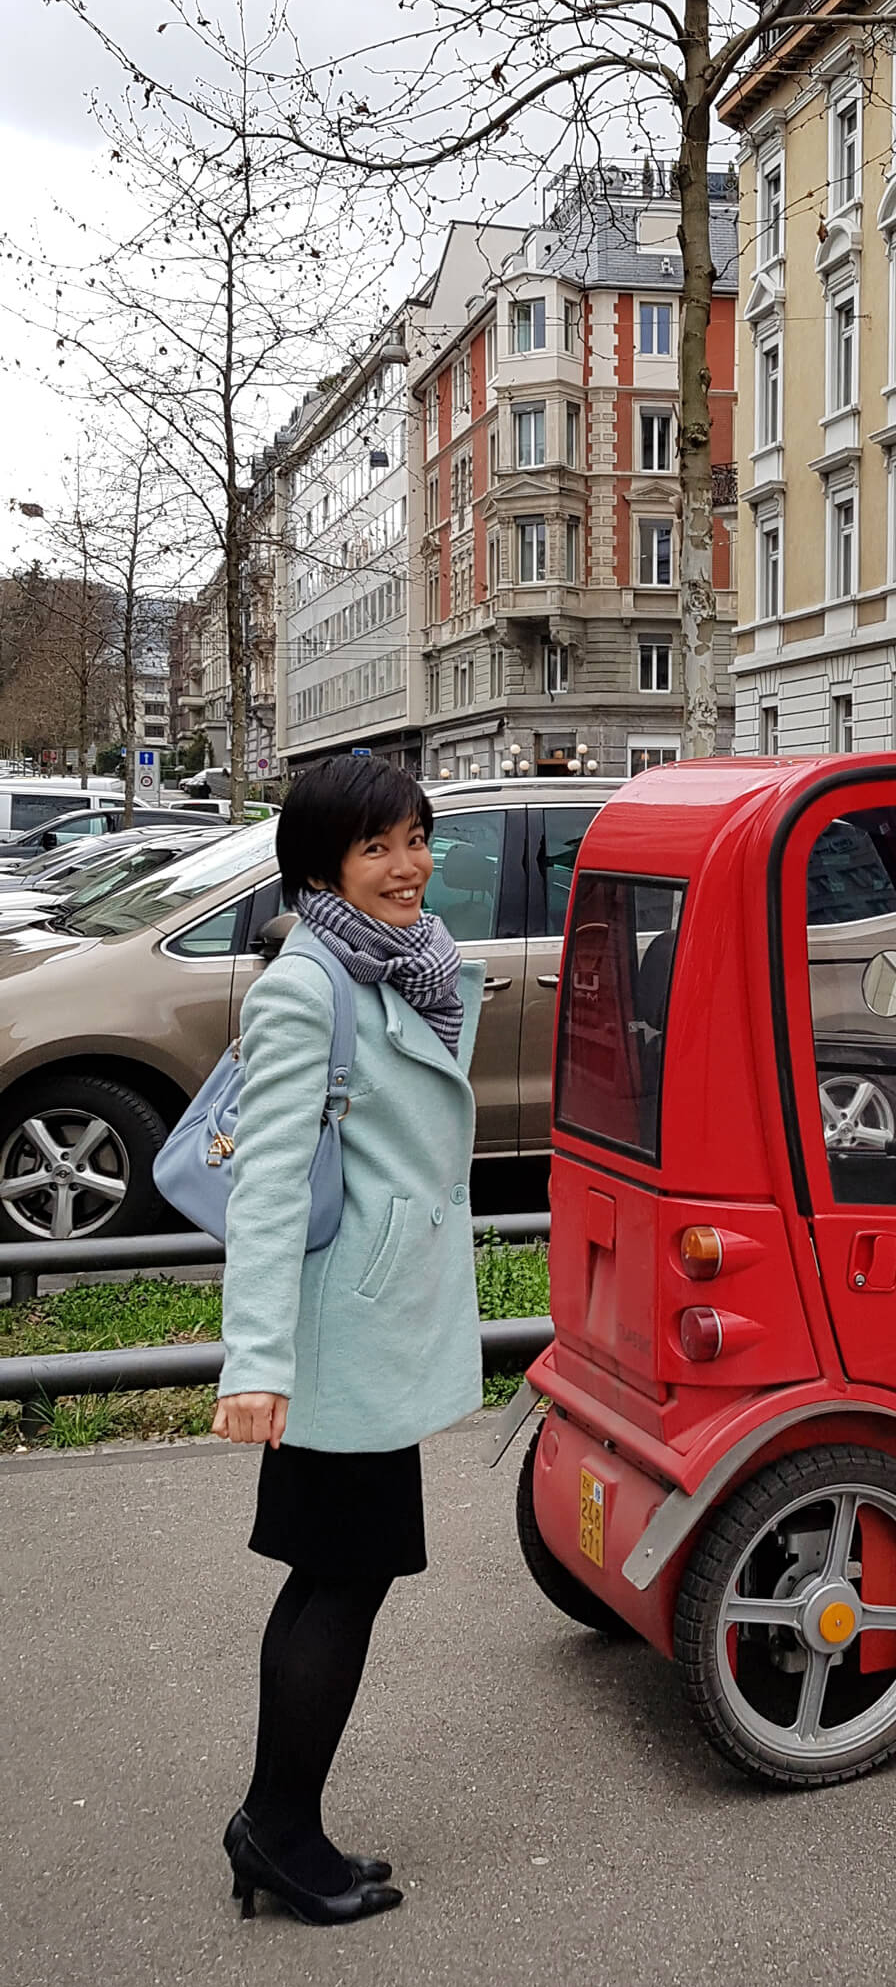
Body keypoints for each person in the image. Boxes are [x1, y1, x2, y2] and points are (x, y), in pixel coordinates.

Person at [211, 756, 485, 1927]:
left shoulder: (404, 969)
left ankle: (282, 1823)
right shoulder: (307, 985)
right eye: (378, 848)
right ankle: (276, 1831)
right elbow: (268, 1185)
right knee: (342, 1579)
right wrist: (257, 1363)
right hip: (334, 1332)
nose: (409, 865)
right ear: (323, 862)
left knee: (339, 1575)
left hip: (375, 1318)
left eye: (417, 839)